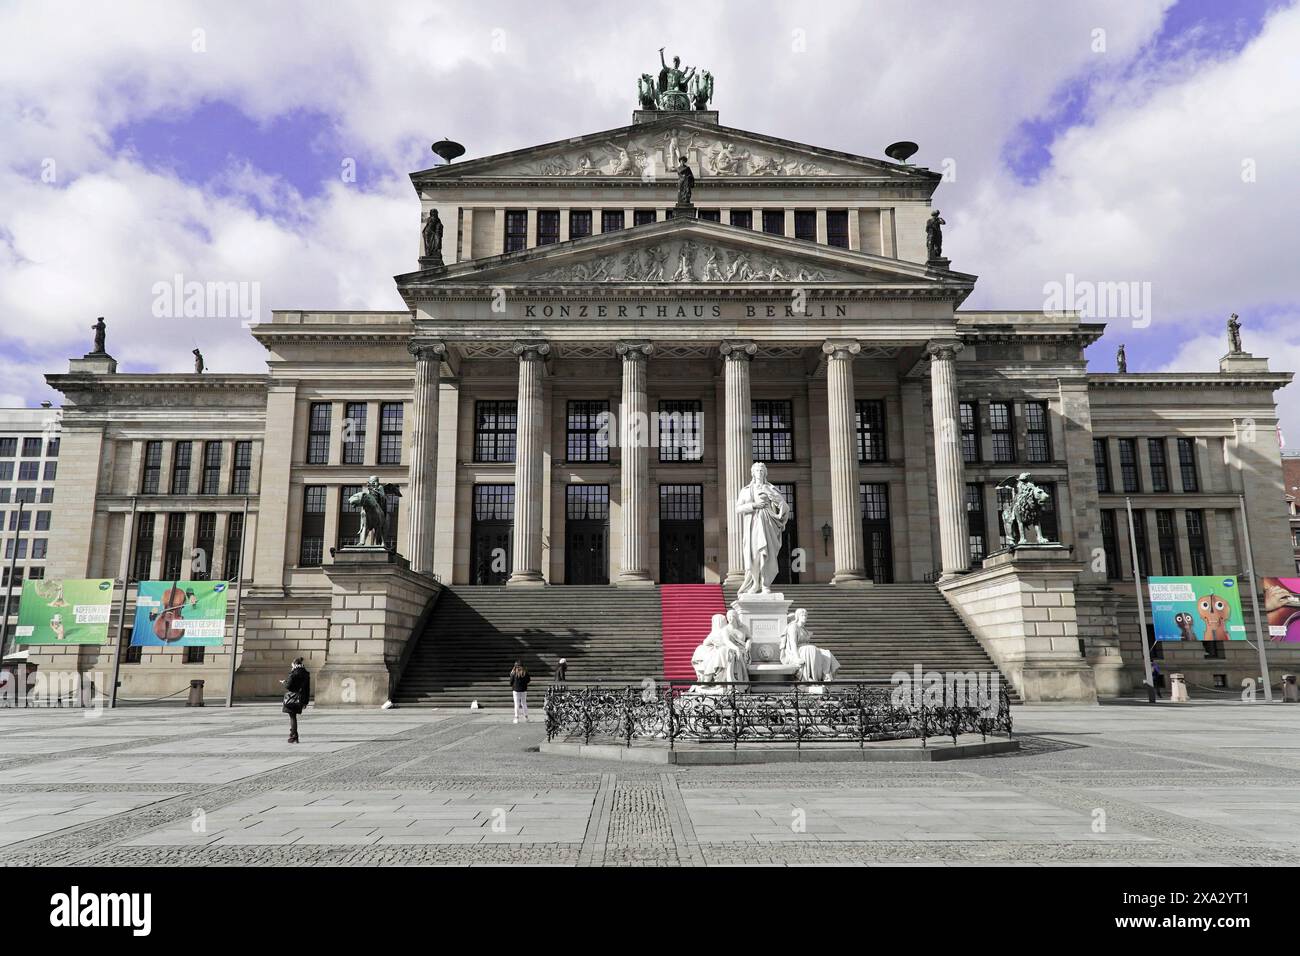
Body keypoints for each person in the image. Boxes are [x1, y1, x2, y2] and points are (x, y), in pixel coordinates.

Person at [281, 657, 310, 743]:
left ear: (294, 664)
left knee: (292, 717)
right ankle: (293, 735)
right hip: (301, 698)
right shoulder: (306, 674)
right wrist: (306, 701)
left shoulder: (293, 673)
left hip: (292, 698)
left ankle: (293, 736)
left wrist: (284, 682)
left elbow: (288, 686)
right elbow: (307, 688)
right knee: (293, 717)